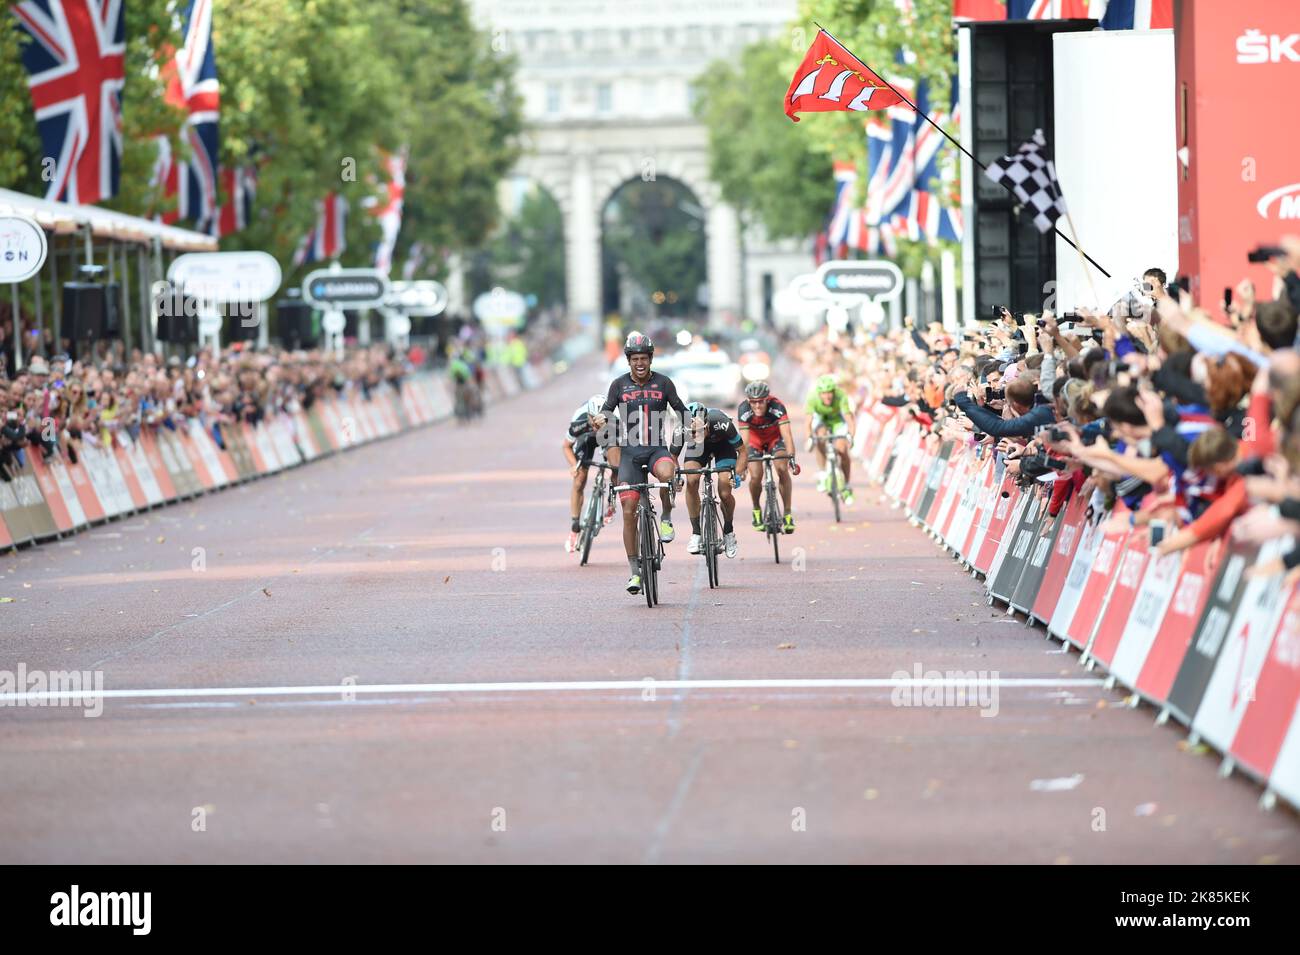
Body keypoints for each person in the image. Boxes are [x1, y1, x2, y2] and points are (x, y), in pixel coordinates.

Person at [590, 331, 688, 595]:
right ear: (629, 361)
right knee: (629, 509)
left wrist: (692, 423)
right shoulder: (619, 385)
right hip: (630, 453)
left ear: (651, 359)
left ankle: (666, 517)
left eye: (644, 358)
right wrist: (600, 419)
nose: (640, 363)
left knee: (668, 474)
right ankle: (634, 571)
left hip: (657, 448)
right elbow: (606, 410)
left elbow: (681, 411)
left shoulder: (664, 383)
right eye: (635, 359)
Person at [679, 400, 748, 558]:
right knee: (691, 480)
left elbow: (743, 452)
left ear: (707, 425)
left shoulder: (721, 422)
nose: (695, 435)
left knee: (724, 490)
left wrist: (736, 474)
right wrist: (675, 478)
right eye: (692, 432)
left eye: (699, 431)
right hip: (697, 449)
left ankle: (729, 532)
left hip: (723, 446)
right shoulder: (684, 429)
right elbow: (672, 457)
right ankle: (696, 533)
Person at [563, 393, 620, 552]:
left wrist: (615, 467)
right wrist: (574, 465)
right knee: (579, 479)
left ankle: (611, 502)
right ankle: (575, 527)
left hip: (608, 434)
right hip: (585, 437)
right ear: (588, 415)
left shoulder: (615, 419)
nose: (596, 425)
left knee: (616, 465)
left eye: (599, 421)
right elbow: (566, 446)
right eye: (593, 420)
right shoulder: (579, 420)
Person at [737, 380, 797, 532]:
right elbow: (744, 441)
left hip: (775, 441)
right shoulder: (743, 409)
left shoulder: (777, 406)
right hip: (754, 443)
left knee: (782, 468)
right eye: (754, 402)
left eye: (761, 402)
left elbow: (787, 435)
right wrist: (741, 465)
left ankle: (788, 513)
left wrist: (792, 459)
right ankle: (756, 510)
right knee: (756, 475)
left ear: (767, 399)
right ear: (748, 401)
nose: (757, 406)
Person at [804, 373, 856, 506]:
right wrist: (809, 438)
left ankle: (846, 485)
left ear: (834, 392)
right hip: (821, 421)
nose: (827, 396)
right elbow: (808, 422)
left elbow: (849, 419)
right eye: (824, 393)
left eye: (829, 393)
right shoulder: (812, 397)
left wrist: (851, 435)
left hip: (838, 421)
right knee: (820, 437)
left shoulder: (841, 396)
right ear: (819, 393)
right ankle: (823, 473)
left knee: (842, 449)